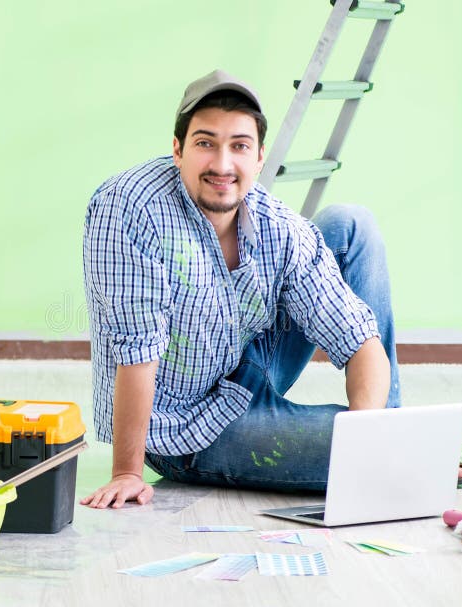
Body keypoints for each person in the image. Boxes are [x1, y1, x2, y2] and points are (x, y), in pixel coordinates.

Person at [80, 69, 402, 510]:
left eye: (239, 146)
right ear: (177, 149)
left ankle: (399, 433)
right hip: (188, 425)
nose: (222, 164)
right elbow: (137, 347)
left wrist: (375, 436)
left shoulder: (275, 223)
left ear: (259, 157)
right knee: (378, 459)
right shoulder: (131, 211)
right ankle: (403, 451)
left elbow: (356, 337)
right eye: (205, 143)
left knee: (350, 224)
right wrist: (127, 473)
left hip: (247, 357)